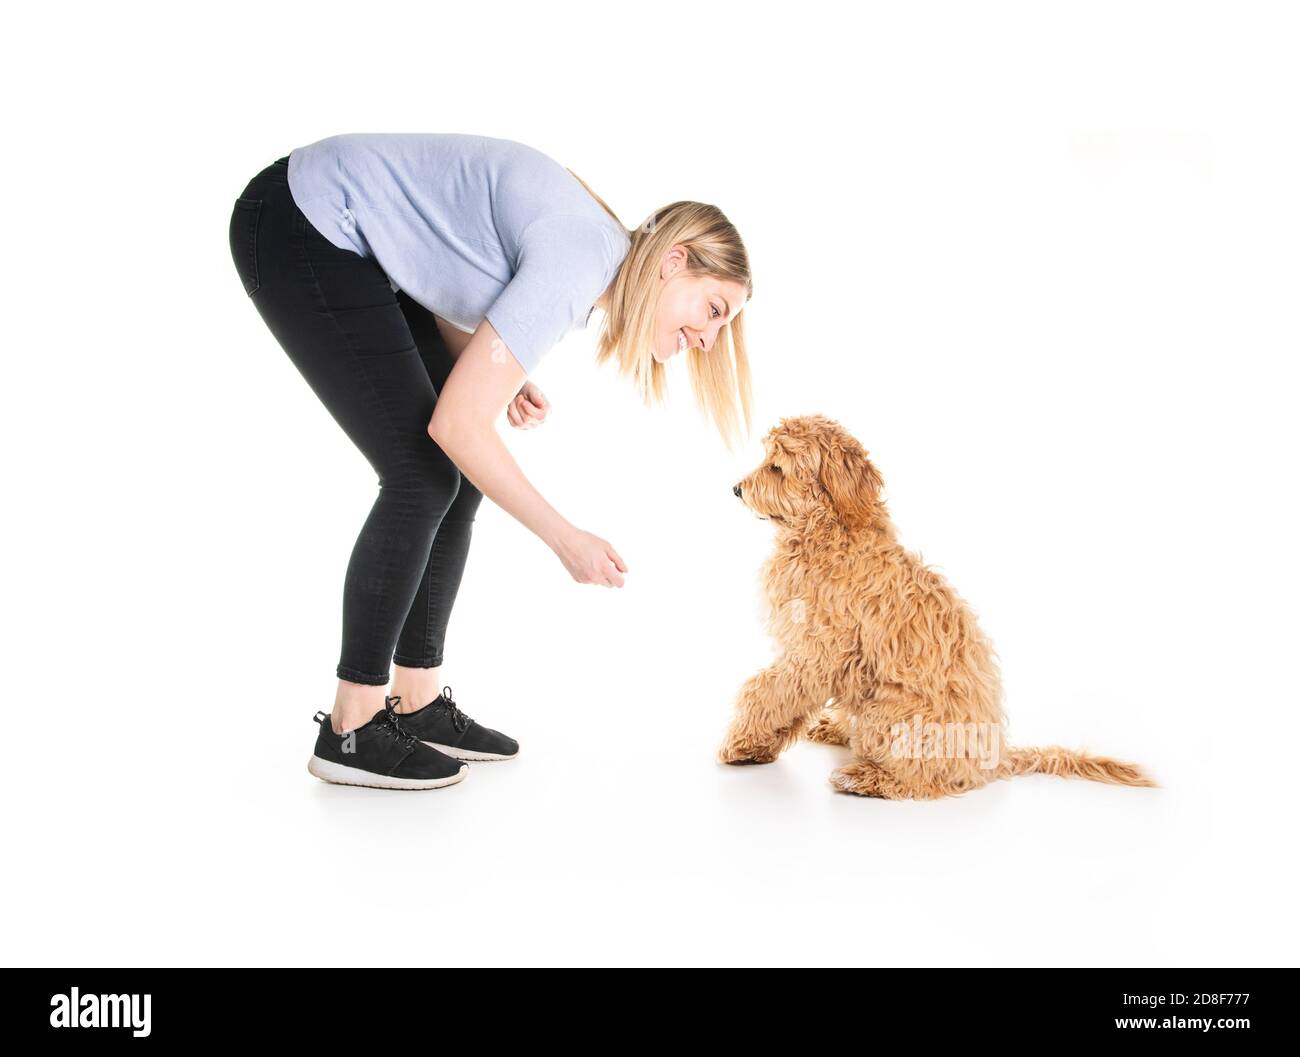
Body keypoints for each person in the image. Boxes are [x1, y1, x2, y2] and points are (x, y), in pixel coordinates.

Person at [228, 133, 753, 790]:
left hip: (352, 240)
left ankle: (414, 703)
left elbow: (449, 263)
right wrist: (566, 538)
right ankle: (350, 726)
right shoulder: (579, 262)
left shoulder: (595, 258)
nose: (707, 338)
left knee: (456, 478)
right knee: (421, 473)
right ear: (675, 262)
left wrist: (491, 368)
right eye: (713, 310)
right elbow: (457, 424)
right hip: (298, 220)